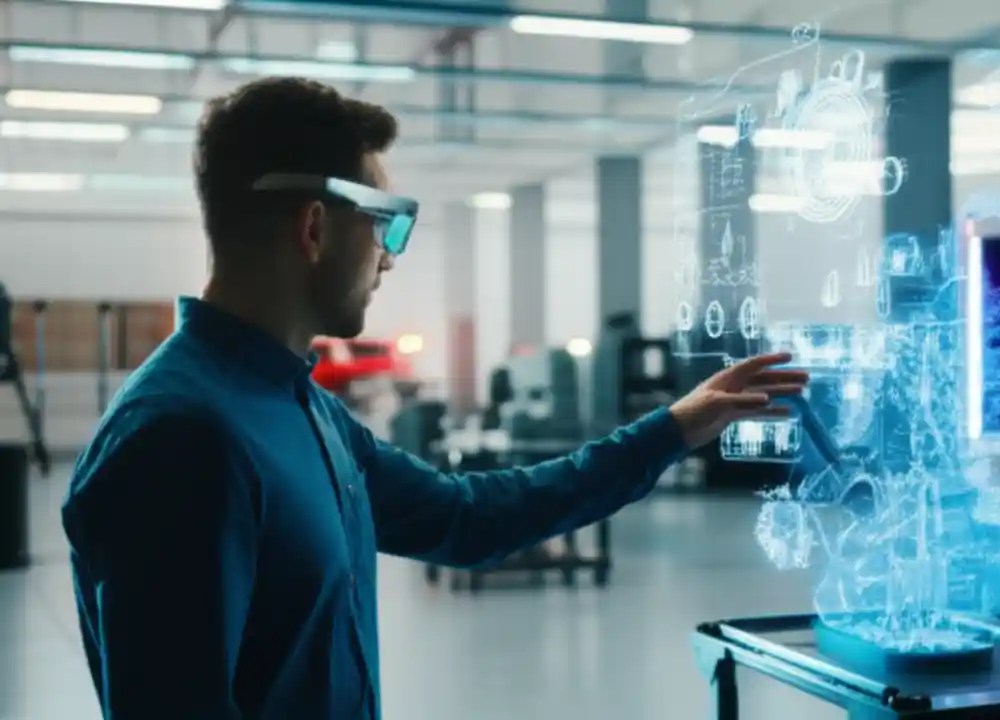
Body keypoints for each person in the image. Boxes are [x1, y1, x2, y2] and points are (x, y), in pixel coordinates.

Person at [60, 77, 808, 720]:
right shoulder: (181, 439)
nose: (388, 257)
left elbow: (465, 518)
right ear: (315, 227)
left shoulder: (301, 406)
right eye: (384, 225)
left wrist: (672, 428)